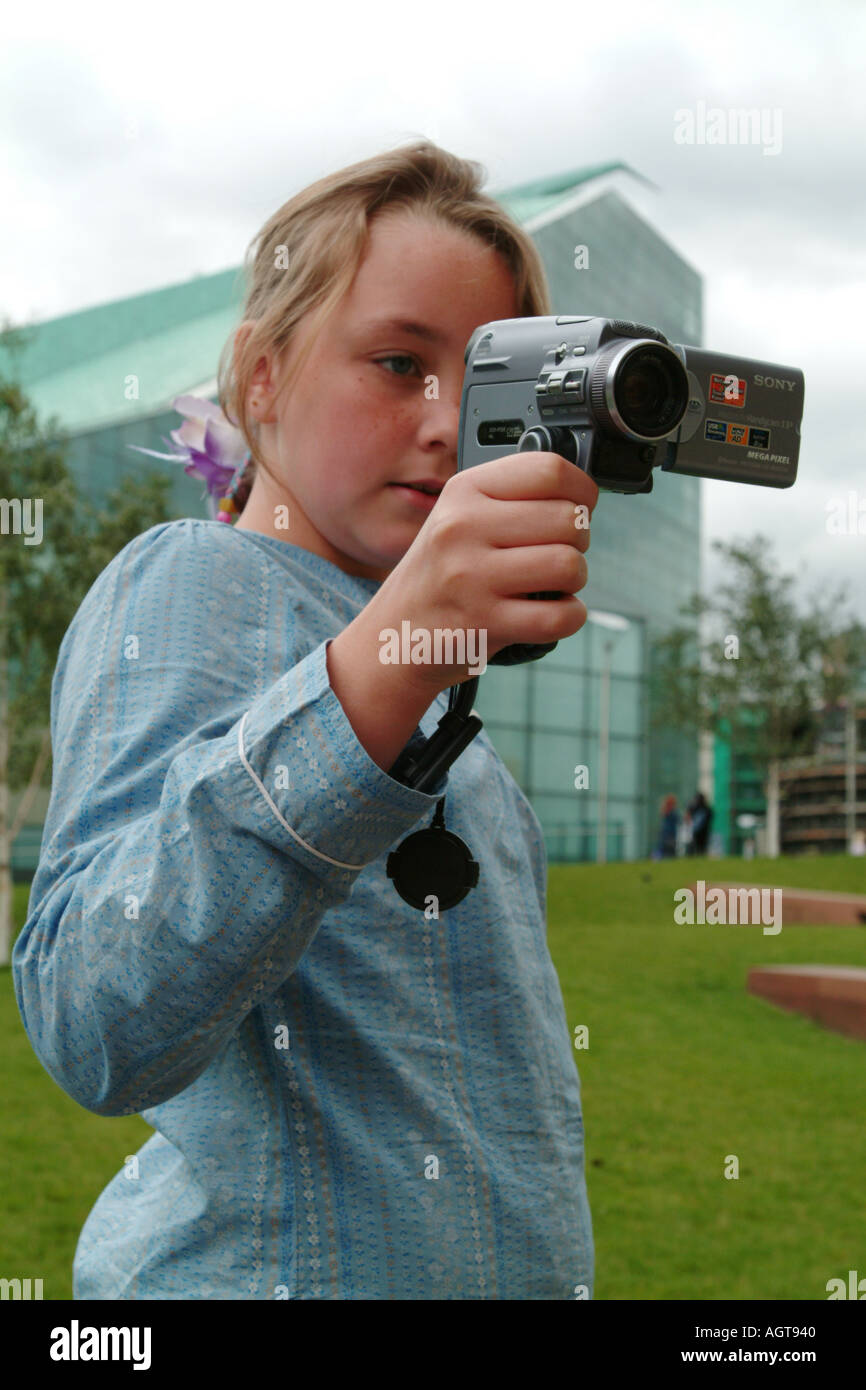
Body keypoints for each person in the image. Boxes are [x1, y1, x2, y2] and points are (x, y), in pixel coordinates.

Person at [12, 141, 598, 1300]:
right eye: (396, 361)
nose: (444, 424)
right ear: (262, 374)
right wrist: (384, 664)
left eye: (484, 389)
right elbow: (95, 1017)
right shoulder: (194, 576)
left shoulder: (434, 693)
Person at [686, 791, 713, 856]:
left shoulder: (696, 807)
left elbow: (688, 816)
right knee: (701, 847)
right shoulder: (706, 808)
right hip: (702, 830)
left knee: (698, 846)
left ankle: (697, 856)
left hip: (698, 830)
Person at [656, 794, 680, 858]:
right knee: (667, 849)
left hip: (669, 833)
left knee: (666, 849)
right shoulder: (670, 812)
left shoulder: (670, 812)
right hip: (668, 833)